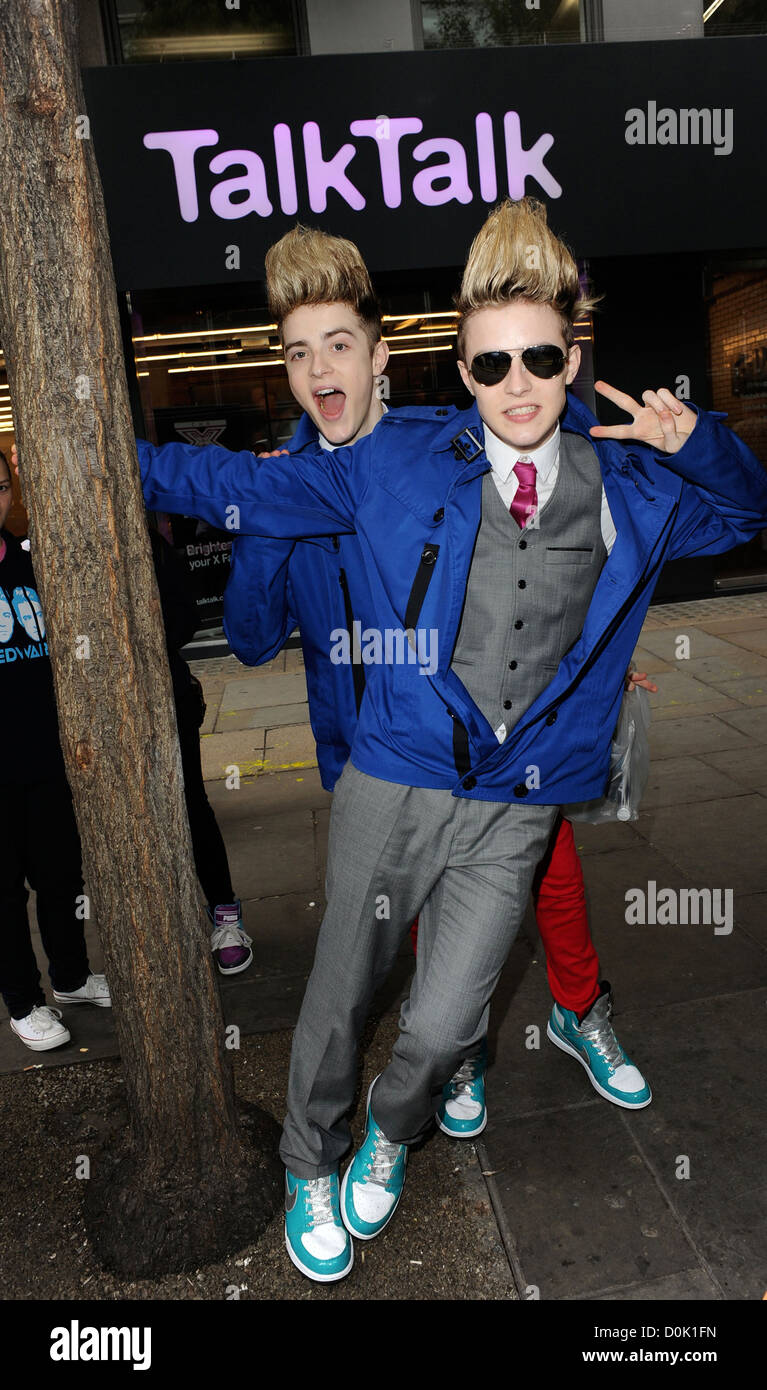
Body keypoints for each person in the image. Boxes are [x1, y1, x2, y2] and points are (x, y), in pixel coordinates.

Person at [136, 196, 767, 1284]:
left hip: (519, 809)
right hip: (392, 781)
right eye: (488, 366)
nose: (515, 384)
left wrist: (698, 440)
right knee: (339, 996)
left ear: (572, 357)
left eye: (536, 358)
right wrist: (96, 445)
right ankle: (309, 1160)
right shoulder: (393, 463)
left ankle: (393, 1124)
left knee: (441, 1027)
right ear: (459, 372)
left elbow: (749, 512)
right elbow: (229, 485)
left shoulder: (635, 488)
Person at [224, 225, 655, 1142]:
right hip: (367, 756)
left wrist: (596, 649)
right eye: (299, 354)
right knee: (403, 928)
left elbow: (555, 468)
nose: (321, 370)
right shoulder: (283, 483)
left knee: (546, 882)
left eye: (339, 344)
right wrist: (263, 521)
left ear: (380, 357)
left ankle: (562, 1018)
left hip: (502, 746)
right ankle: (457, 1057)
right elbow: (252, 640)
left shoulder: (441, 444)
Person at [0, 447, 110, 1050]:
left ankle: (69, 977)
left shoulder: (28, 564)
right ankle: (22, 1001)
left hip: (44, 757)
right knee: (4, 896)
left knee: (61, 878)